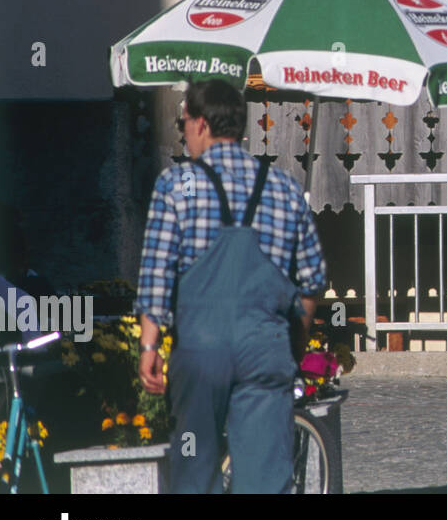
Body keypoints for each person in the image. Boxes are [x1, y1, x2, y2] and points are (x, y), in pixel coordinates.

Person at [136, 79, 327, 493]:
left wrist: (149, 346)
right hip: (265, 349)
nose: (183, 133)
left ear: (201, 124)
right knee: (264, 479)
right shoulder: (286, 188)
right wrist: (295, 341)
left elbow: (157, 273)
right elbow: (312, 280)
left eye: (183, 123)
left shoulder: (175, 185)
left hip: (200, 351)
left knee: (193, 471)